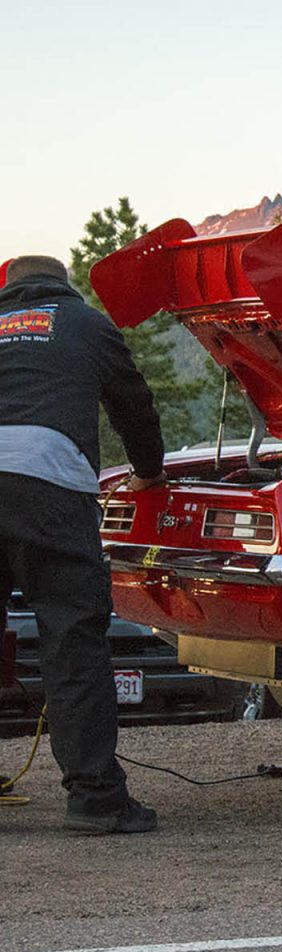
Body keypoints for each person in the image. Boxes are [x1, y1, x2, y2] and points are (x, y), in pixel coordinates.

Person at [0, 255, 168, 832]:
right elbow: (133, 406)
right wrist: (148, 472)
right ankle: (95, 799)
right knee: (72, 637)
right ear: (63, 284)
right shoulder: (86, 323)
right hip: (48, 485)